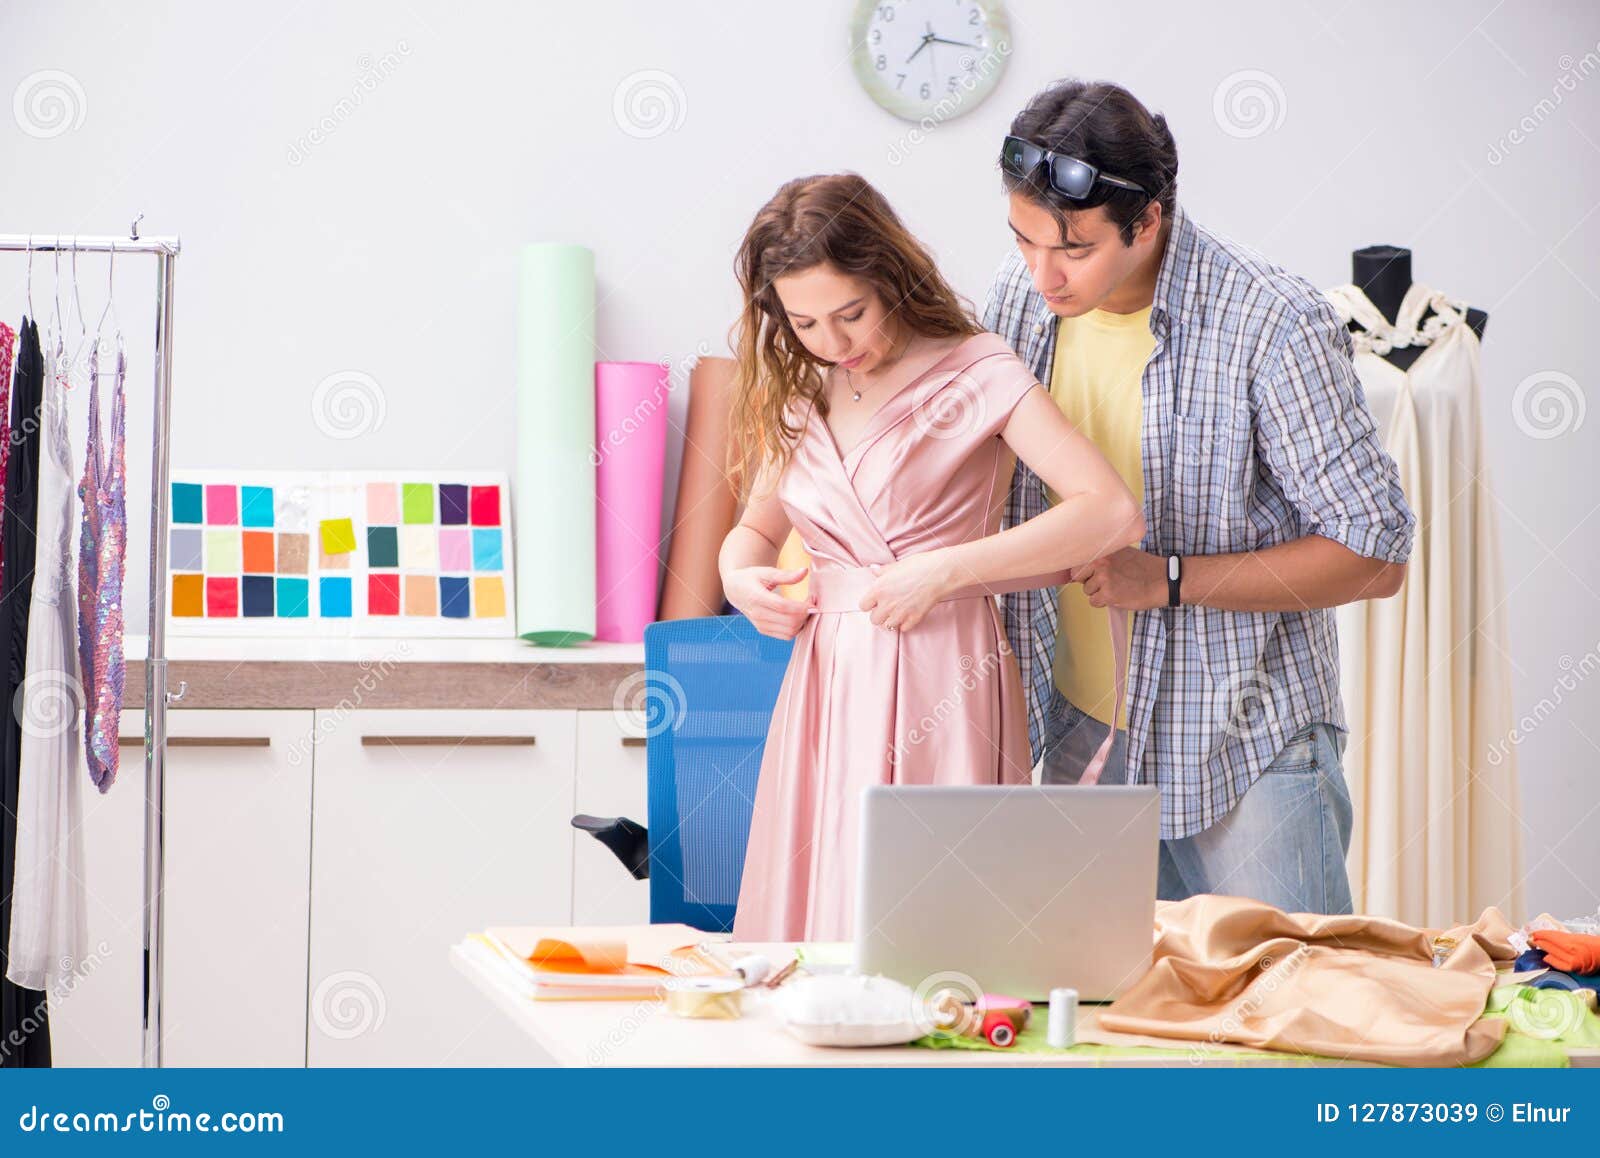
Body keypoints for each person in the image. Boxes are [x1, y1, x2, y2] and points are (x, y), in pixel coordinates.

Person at [986, 79, 1416, 915]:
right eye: (1024, 241)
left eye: (1072, 250)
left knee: (1293, 1017)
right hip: (1082, 729)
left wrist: (1168, 579)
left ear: (1146, 221)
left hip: (1244, 742)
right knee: (1108, 1025)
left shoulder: (1272, 322)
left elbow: (1375, 553)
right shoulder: (1021, 300)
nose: (1043, 273)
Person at [721, 173, 1142, 941]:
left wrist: (948, 571)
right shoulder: (799, 389)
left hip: (946, 669)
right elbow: (751, 532)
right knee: (817, 926)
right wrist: (736, 576)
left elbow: (1108, 510)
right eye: (805, 321)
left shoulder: (977, 369)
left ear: (890, 276)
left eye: (851, 313)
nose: (833, 343)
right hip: (826, 680)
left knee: (937, 931)